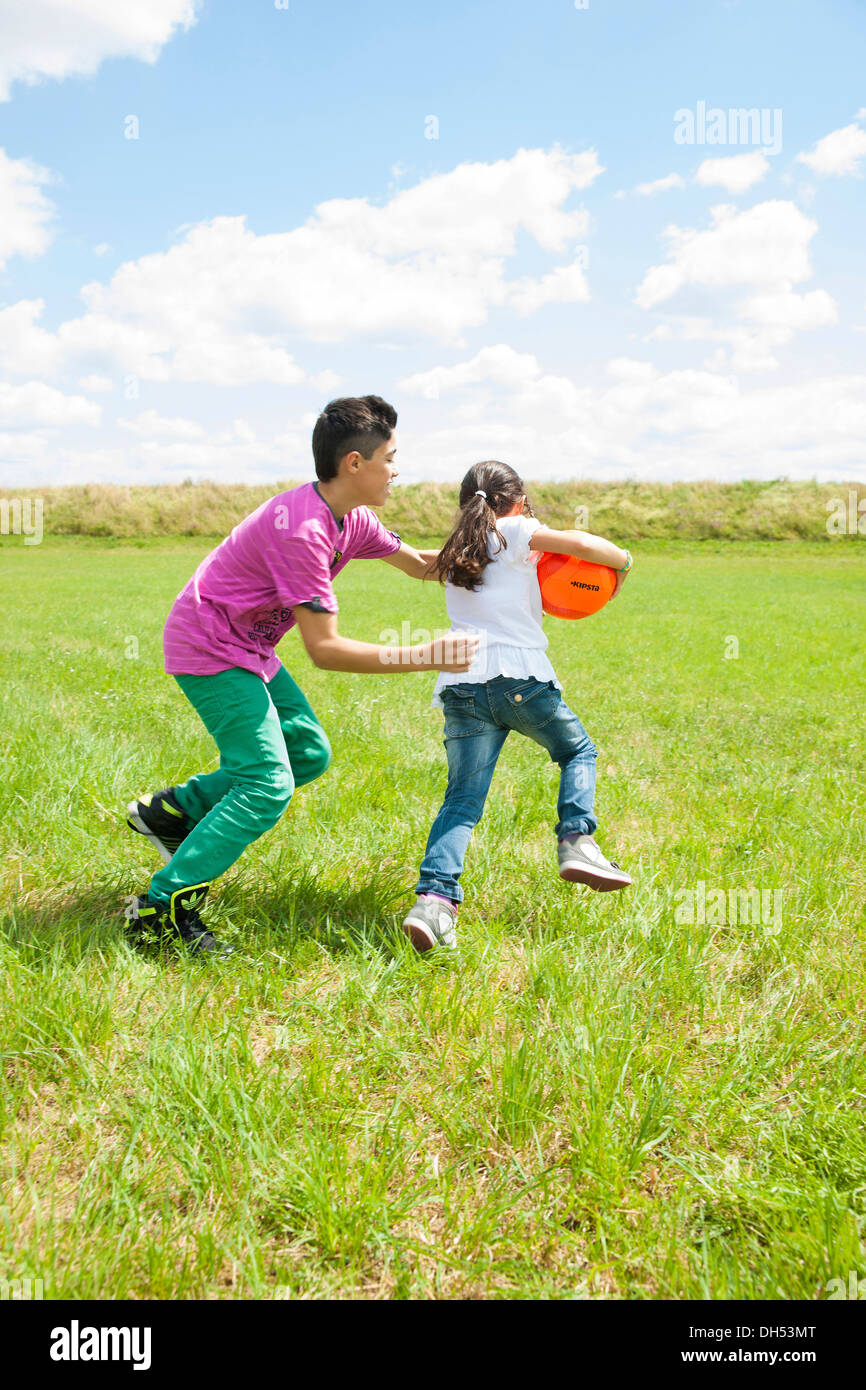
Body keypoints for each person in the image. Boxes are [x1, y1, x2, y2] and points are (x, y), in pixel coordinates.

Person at [125, 395, 478, 956]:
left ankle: (172, 811)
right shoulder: (304, 531)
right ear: (354, 465)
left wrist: (513, 554)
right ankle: (160, 912)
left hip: (249, 646)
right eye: (391, 458)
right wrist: (428, 654)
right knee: (266, 782)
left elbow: (421, 564)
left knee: (307, 754)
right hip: (209, 645)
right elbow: (327, 650)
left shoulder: (352, 519)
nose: (398, 470)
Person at [401, 459, 633, 953]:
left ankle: (434, 904)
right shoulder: (519, 530)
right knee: (577, 753)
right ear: (519, 500)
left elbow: (416, 561)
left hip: (462, 684)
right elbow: (590, 547)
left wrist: (375, 544)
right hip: (519, 678)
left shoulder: (457, 548)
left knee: (462, 800)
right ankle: (577, 841)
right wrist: (625, 561)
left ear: (467, 503)